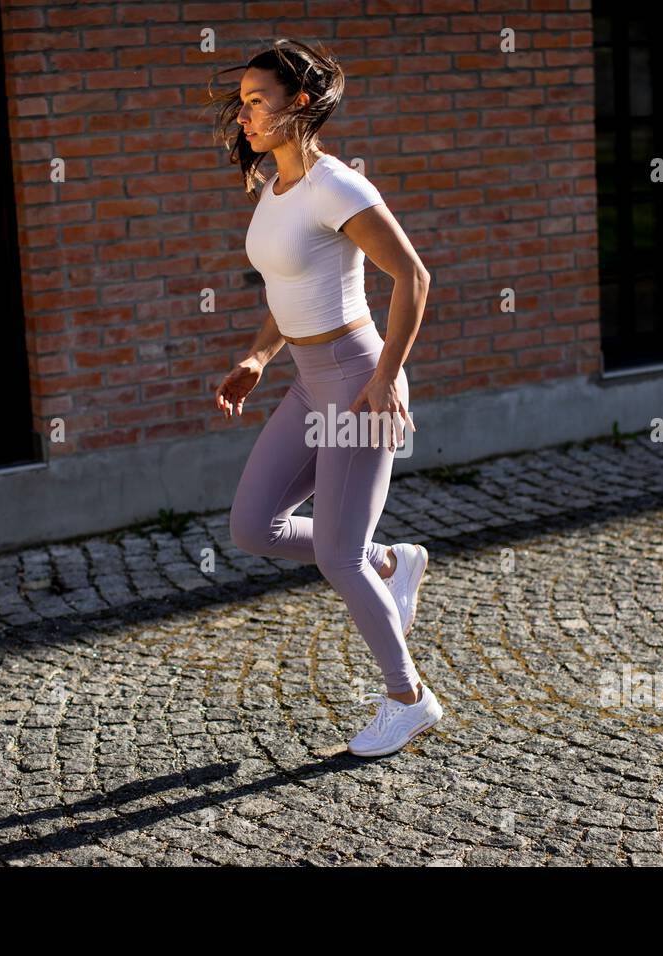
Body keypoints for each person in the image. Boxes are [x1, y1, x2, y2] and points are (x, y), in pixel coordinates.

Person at [209, 39, 440, 757]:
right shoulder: (274, 186)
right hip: (310, 382)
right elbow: (290, 287)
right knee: (253, 526)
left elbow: (414, 278)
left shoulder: (337, 187)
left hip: (356, 378)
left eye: (257, 101)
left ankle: (408, 698)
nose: (244, 115)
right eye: (242, 102)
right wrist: (257, 354)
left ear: (298, 104)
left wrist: (383, 379)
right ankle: (390, 565)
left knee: (336, 553)